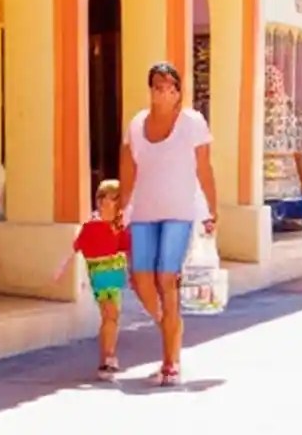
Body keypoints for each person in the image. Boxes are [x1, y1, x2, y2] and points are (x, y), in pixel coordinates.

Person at [118, 62, 218, 387]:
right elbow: (128, 169)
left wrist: (211, 210)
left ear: (179, 93)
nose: (165, 92)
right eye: (158, 86)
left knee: (166, 279)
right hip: (144, 212)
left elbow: (204, 168)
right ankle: (169, 328)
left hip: (180, 211)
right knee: (141, 281)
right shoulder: (136, 125)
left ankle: (170, 361)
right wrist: (122, 207)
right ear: (150, 90)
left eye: (171, 87)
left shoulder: (192, 123)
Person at [55, 179, 132, 381]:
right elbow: (76, 247)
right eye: (111, 198)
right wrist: (61, 269)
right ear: (101, 200)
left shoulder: (120, 226)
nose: (114, 203)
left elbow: (129, 249)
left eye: (118, 199)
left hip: (116, 275)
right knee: (109, 311)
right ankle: (107, 358)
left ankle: (109, 356)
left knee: (112, 316)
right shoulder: (92, 226)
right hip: (100, 275)